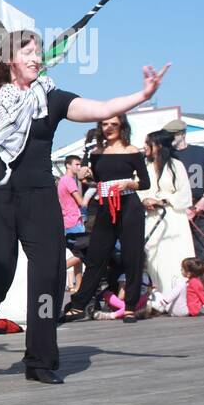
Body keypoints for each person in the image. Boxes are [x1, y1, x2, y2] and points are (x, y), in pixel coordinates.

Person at [0, 19, 169, 385]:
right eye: (28, 51)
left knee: (49, 274)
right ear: (9, 59)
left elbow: (101, 107)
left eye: (39, 52)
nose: (36, 58)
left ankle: (40, 360)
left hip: (40, 199)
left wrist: (141, 96)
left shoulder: (53, 98)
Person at [61, 115, 149, 322]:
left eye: (114, 124)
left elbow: (145, 182)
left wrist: (129, 184)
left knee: (131, 256)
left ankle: (130, 306)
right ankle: (79, 304)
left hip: (129, 206)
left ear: (122, 127)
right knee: (96, 256)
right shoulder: (95, 153)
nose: (108, 127)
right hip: (105, 205)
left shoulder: (131, 151)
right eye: (105, 124)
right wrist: (86, 176)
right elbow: (93, 181)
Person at [139, 129, 196, 299]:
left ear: (158, 145)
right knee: (153, 255)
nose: (144, 146)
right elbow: (138, 188)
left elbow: (185, 195)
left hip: (172, 216)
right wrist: (145, 200)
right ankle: (157, 295)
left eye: (148, 142)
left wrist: (164, 199)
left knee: (175, 254)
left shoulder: (175, 165)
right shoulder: (144, 166)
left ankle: (179, 296)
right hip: (152, 217)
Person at [164, 118, 204, 260]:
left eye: (174, 134)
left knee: (200, 249)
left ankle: (200, 281)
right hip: (177, 208)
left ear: (183, 134)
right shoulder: (168, 155)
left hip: (200, 206)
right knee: (179, 248)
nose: (171, 138)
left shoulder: (199, 151)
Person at [57, 154, 88, 236]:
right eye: (76, 164)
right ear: (68, 165)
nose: (79, 167)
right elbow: (81, 202)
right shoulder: (69, 180)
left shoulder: (62, 180)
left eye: (80, 165)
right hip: (74, 221)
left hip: (67, 221)